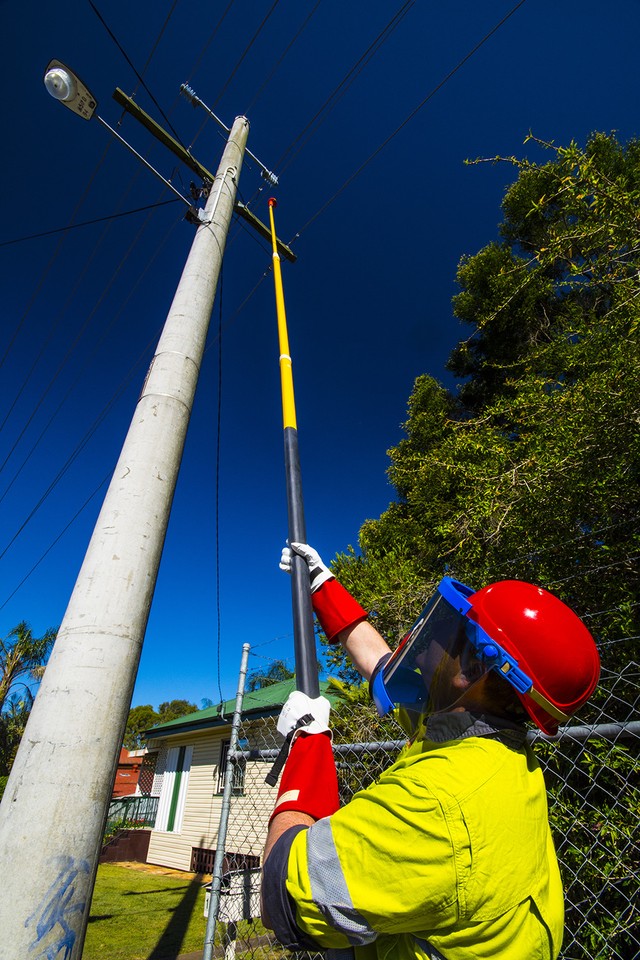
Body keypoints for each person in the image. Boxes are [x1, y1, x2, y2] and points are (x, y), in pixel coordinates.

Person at [261, 542, 601, 960]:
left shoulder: (435, 806)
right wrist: (321, 585)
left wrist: (306, 747)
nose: (422, 646)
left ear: (473, 669)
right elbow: (379, 663)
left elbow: (283, 891)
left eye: (448, 629)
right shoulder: (484, 745)